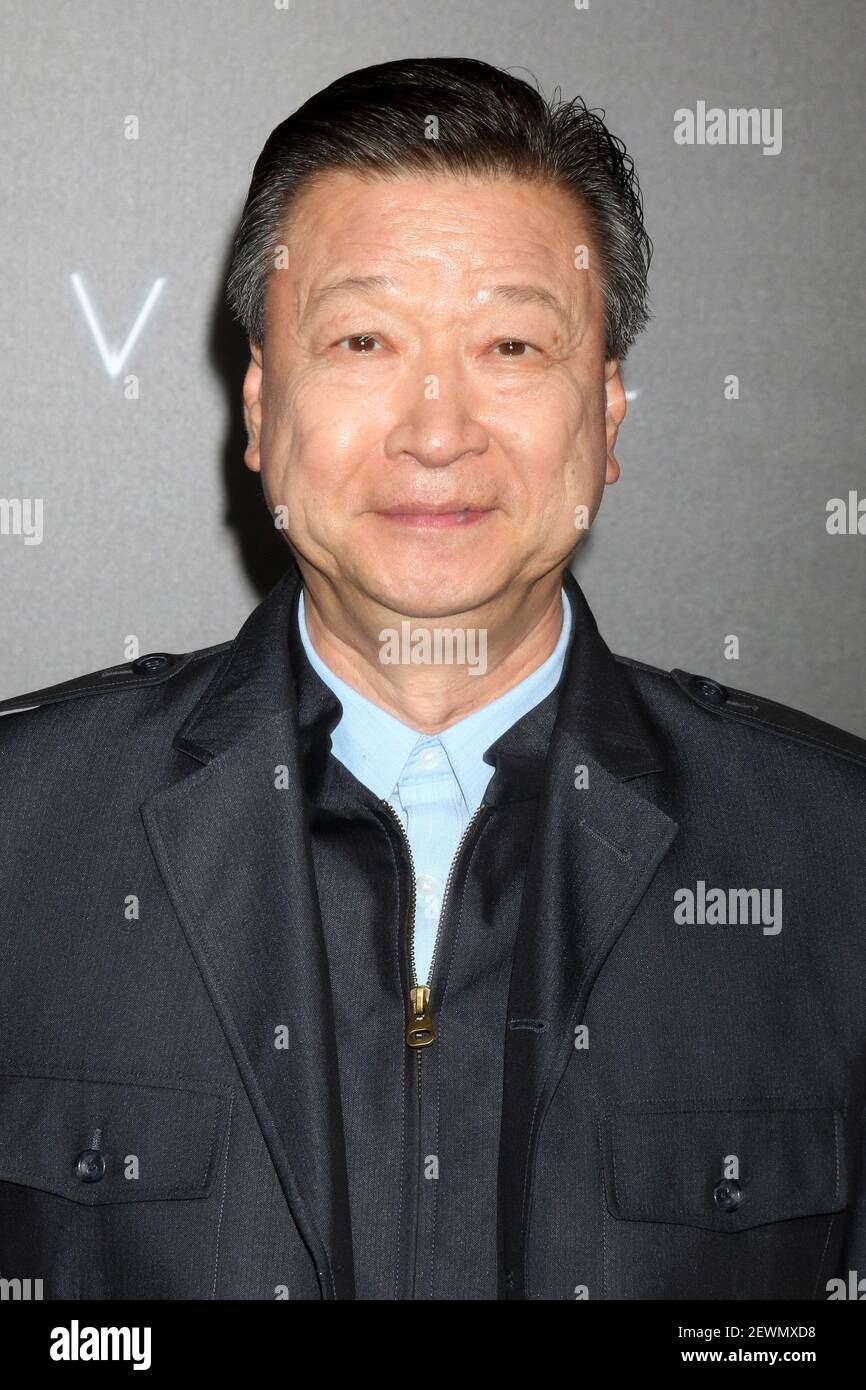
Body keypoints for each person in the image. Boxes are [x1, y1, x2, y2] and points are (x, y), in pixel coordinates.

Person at [1, 56, 864, 1302]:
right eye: (363, 340)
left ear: (607, 414)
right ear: (260, 409)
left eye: (510, 344)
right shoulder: (23, 831)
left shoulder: (832, 859)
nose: (437, 427)